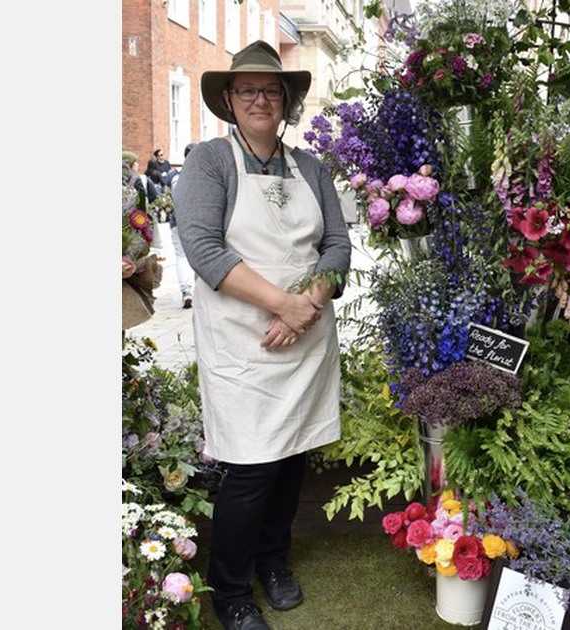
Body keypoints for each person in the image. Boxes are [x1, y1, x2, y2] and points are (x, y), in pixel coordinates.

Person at [174, 41, 351, 630]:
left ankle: (273, 562)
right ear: (229, 99)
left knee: (292, 456)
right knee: (250, 467)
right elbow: (202, 247)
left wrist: (307, 304)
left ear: (286, 101)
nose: (258, 98)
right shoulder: (210, 161)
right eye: (246, 89)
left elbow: (337, 247)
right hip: (242, 341)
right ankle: (229, 589)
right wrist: (283, 304)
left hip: (305, 338)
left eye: (270, 89)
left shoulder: (312, 169)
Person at [170, 143, 198, 308]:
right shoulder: (203, 175)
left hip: (177, 221)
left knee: (181, 257)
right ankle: (200, 291)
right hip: (198, 222)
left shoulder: (175, 177)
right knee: (202, 256)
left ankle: (187, 291)